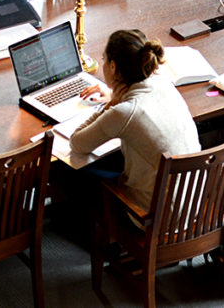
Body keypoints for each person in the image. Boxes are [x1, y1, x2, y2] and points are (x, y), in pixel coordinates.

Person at [69, 29, 201, 214]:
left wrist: (110, 104)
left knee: (72, 172)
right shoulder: (163, 83)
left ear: (113, 66)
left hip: (156, 217)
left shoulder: (124, 112)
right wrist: (116, 97)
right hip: (193, 203)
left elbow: (77, 143)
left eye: (103, 59)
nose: (103, 64)